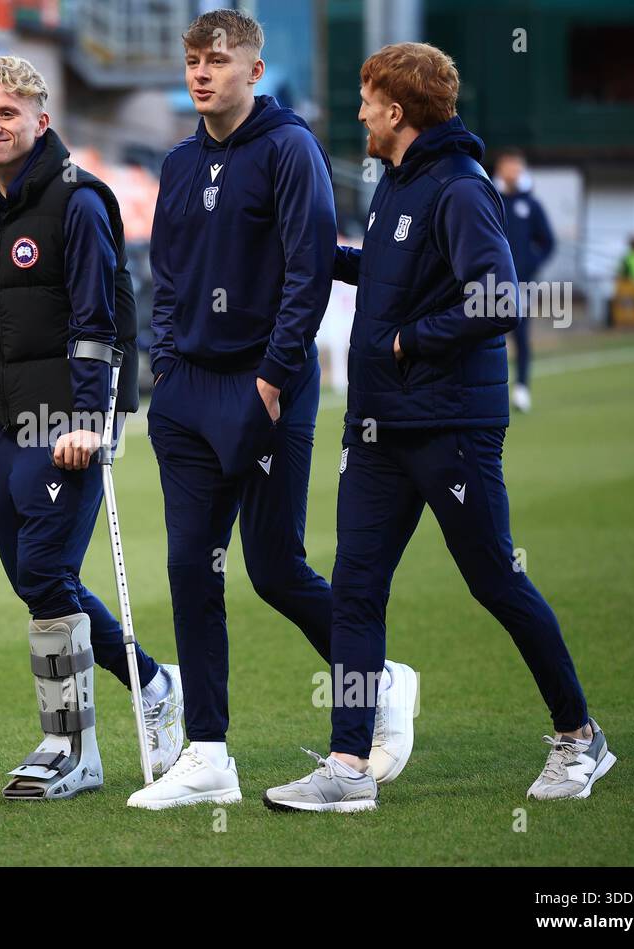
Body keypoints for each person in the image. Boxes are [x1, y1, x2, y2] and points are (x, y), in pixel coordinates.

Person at [264, 42, 614, 813]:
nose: (358, 113)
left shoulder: (458, 187)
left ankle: (580, 736)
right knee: (355, 591)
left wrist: (405, 340)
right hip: (380, 429)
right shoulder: (398, 184)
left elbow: (499, 299)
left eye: (365, 100)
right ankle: (350, 765)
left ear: (396, 110)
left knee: (495, 581)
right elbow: (398, 274)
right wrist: (327, 257)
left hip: (449, 425)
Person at [128, 8, 416, 811]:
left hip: (267, 387)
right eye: (191, 59)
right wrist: (167, 367)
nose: (200, 72)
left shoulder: (292, 149)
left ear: (254, 72)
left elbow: (309, 269)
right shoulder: (179, 161)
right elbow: (168, 274)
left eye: (216, 60)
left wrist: (271, 378)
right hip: (186, 393)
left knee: (275, 569)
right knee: (190, 565)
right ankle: (209, 754)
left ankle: (378, 680)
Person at [0, 55, 184, 800]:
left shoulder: (79, 201)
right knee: (39, 582)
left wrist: (93, 423)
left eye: (8, 113)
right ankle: (155, 684)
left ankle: (71, 749)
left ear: (41, 118)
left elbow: (100, 325)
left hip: (73, 418)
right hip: (9, 419)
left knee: (43, 572)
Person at [493, 148, 554, 413]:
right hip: (487, 285)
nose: (514, 172)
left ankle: (521, 389)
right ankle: (491, 391)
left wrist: (530, 266)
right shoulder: (489, 199)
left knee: (521, 336)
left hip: (521, 285)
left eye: (518, 167)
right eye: (509, 166)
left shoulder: (531, 205)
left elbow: (548, 241)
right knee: (487, 337)